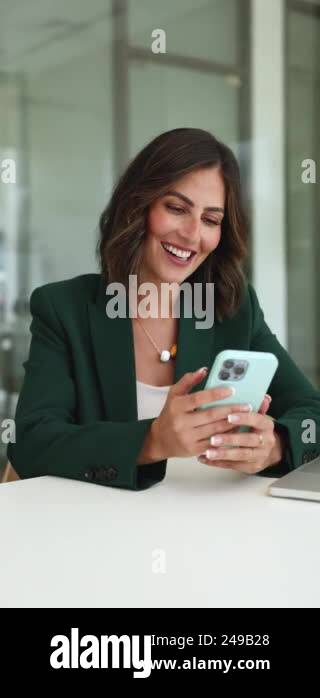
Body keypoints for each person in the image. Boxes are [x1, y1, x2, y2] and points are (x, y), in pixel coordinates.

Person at [7, 128, 320, 490]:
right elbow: (32, 443)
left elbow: (312, 412)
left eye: (211, 220)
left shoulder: (231, 306)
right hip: (94, 528)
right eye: (176, 208)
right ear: (138, 207)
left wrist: (276, 445)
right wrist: (151, 441)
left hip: (207, 526)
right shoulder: (64, 309)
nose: (191, 234)